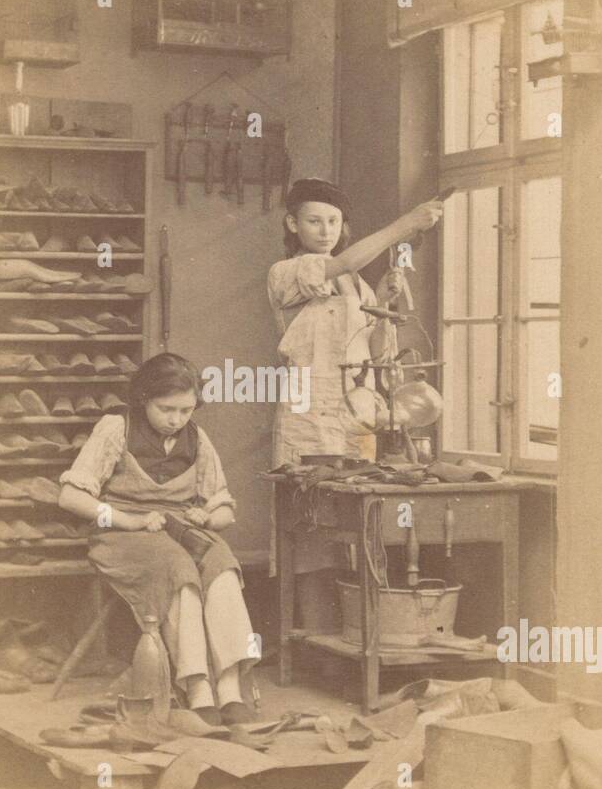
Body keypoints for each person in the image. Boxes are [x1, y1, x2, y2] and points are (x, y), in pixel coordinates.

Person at [266, 178, 443, 621]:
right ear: (292, 224)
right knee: (310, 530)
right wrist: (404, 225)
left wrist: (383, 300)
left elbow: (376, 344)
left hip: (357, 417)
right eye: (313, 221)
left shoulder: (355, 284)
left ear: (343, 224)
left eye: (333, 221)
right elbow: (338, 262)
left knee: (356, 527)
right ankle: (314, 642)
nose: (325, 230)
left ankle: (351, 641)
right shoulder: (287, 273)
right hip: (307, 417)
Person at [57, 353, 256, 725]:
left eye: (186, 410)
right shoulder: (116, 427)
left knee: (222, 564)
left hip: (179, 529)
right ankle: (197, 689)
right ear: (144, 398)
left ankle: (230, 690)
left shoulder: (197, 438)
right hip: (121, 535)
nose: (176, 420)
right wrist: (126, 520)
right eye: (166, 409)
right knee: (177, 569)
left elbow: (225, 508)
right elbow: (70, 497)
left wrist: (209, 517)